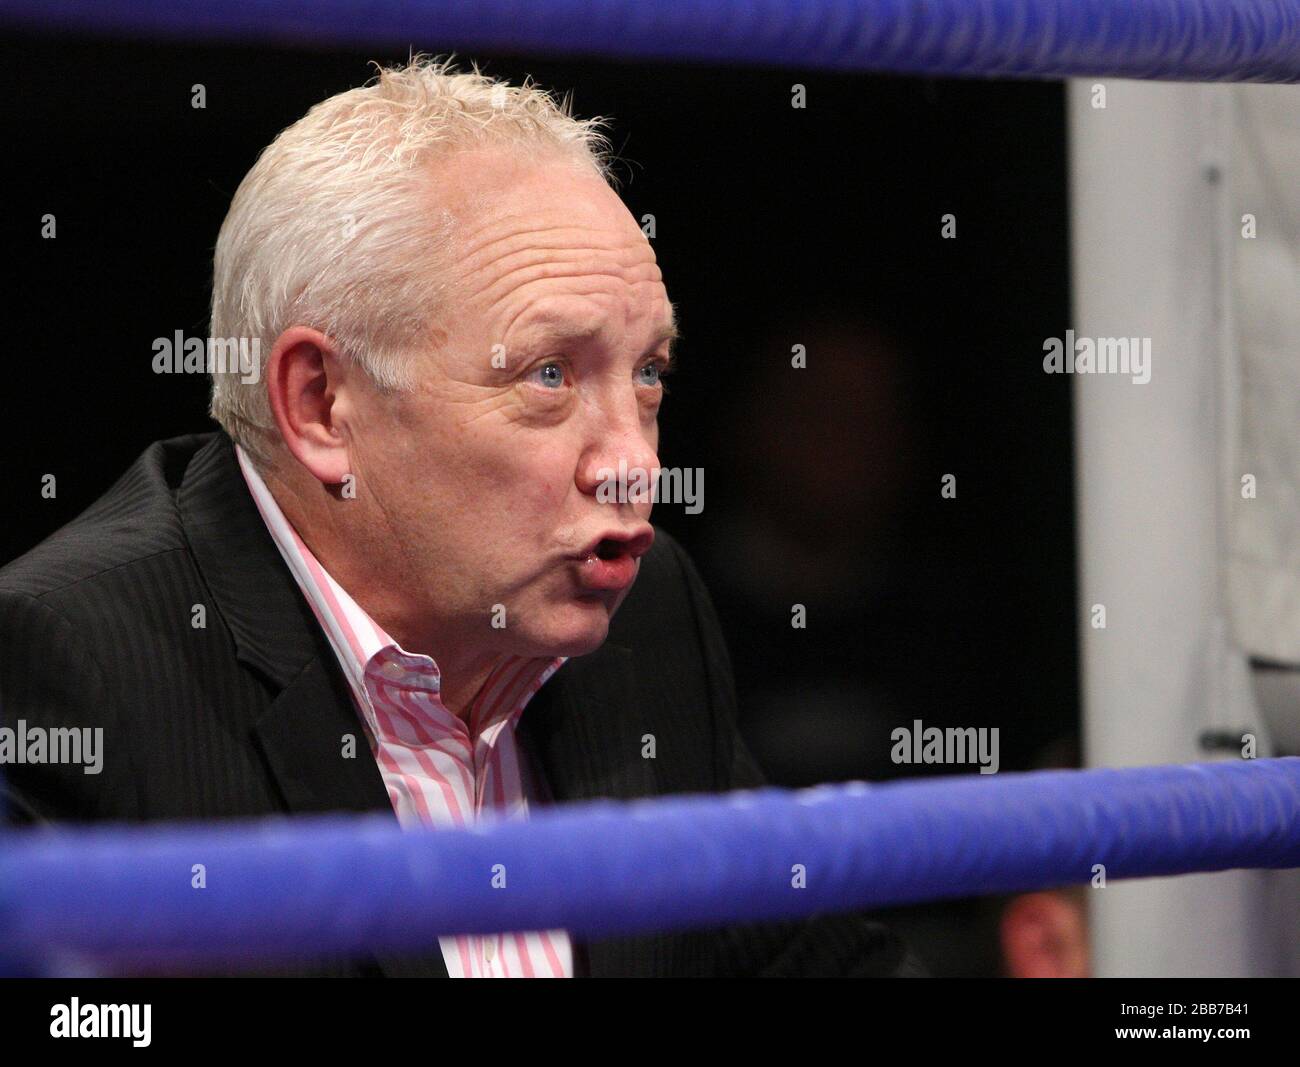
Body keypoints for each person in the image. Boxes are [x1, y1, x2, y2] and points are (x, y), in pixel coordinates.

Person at [0, 56, 921, 978]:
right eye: (549, 375)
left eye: (648, 375)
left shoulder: (646, 612)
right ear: (322, 404)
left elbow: (808, 957)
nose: (635, 464)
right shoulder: (72, 660)